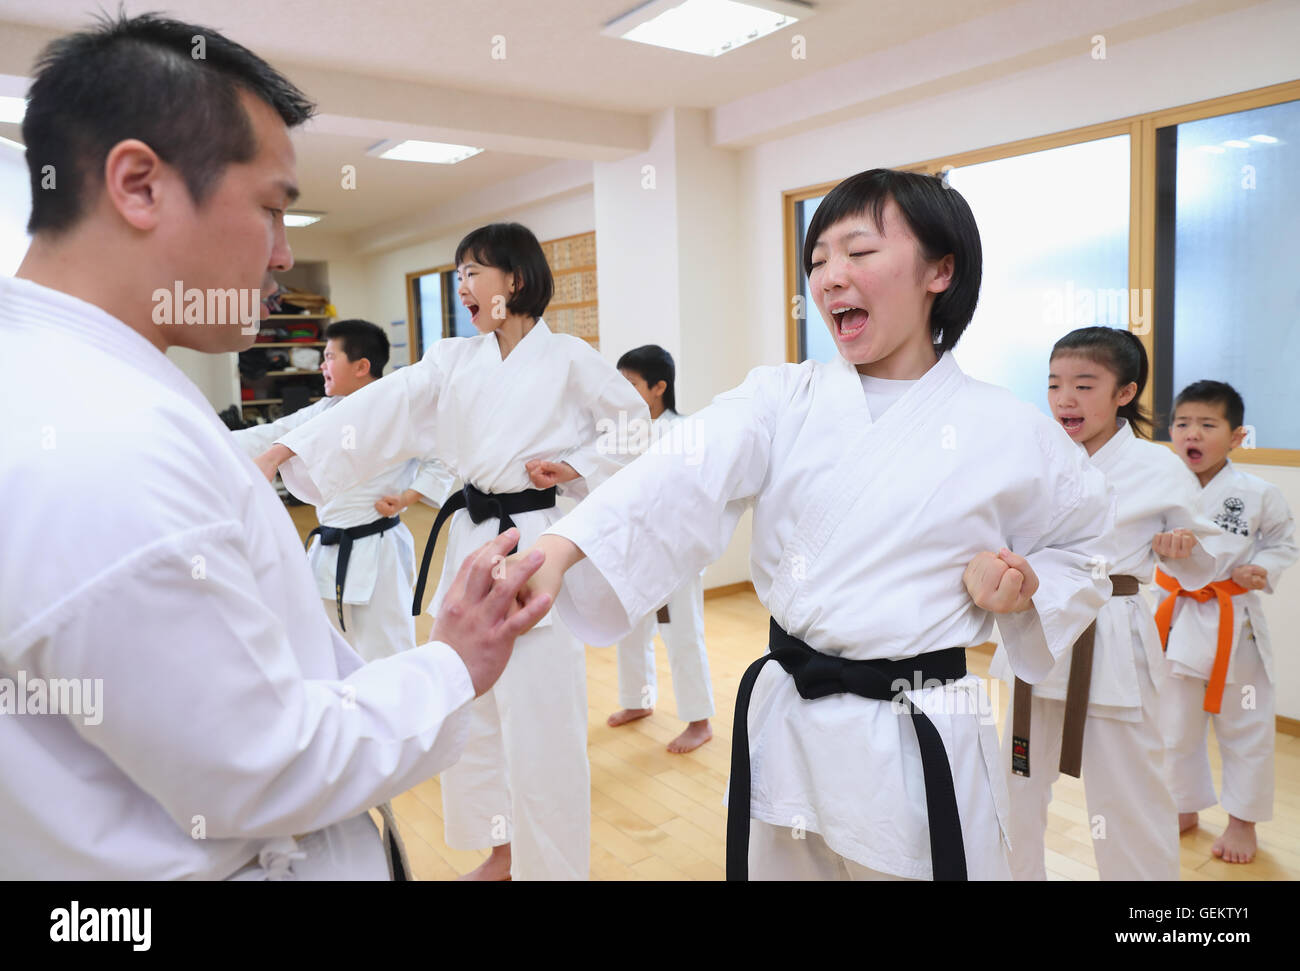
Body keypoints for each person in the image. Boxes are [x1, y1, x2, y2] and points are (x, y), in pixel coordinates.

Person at [0, 12, 550, 880]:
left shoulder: (83, 387)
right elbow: (260, 766)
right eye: (271, 209)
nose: (284, 254)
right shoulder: (104, 447)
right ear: (138, 185)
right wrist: (451, 663)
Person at [507, 169, 1118, 881]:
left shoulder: (1009, 429)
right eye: (818, 259)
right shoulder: (781, 397)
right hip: (788, 719)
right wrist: (561, 546)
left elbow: (1089, 545)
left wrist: (1024, 587)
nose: (830, 276)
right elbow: (684, 466)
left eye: (858, 252)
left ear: (940, 270)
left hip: (913, 733)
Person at [256, 223, 649, 880]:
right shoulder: (450, 359)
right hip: (472, 539)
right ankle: (502, 849)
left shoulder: (572, 360)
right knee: (473, 708)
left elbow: (631, 433)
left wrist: (573, 465)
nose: (462, 285)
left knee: (543, 721)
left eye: (474, 271)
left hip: (533, 546)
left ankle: (553, 868)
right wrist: (288, 450)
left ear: (514, 280)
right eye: (459, 273)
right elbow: (385, 403)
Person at [991, 326, 1224, 880]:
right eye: (1054, 384)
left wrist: (1180, 551)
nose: (1064, 399)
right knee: (1013, 786)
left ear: (1125, 392)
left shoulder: (1158, 467)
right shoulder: (1037, 457)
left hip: (1113, 633)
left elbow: (1201, 563)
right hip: (1040, 627)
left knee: (1129, 794)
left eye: (1084, 385)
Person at [236, 319, 454, 661]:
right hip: (327, 546)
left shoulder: (399, 408)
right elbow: (273, 435)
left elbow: (441, 458)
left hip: (377, 547)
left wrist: (406, 498)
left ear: (362, 366)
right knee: (329, 648)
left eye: (329, 356)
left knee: (386, 649)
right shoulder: (323, 412)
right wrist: (200, 435)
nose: (322, 365)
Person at [1159, 380, 1298, 864]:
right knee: (1172, 725)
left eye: (1206, 424)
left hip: (1234, 625)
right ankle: (1182, 805)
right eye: (1181, 423)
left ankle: (1243, 821)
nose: (1191, 433)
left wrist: (1265, 568)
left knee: (1246, 725)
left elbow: (1284, 542)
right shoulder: (1159, 483)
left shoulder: (1258, 493)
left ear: (1237, 436)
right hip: (1175, 622)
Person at [603, 345, 715, 754]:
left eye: (630, 384)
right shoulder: (622, 432)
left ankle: (699, 721)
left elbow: (694, 497)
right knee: (630, 630)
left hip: (675, 556)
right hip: (633, 551)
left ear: (658, 388)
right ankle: (638, 700)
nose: (621, 391)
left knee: (682, 634)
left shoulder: (684, 432)